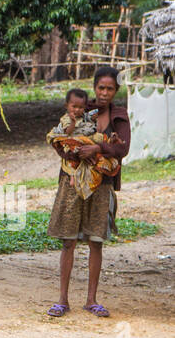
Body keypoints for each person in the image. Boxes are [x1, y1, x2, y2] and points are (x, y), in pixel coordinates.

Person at [46, 66, 130, 318]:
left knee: (96, 241)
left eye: (110, 88)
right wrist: (71, 150)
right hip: (72, 183)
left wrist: (95, 149)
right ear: (94, 87)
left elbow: (123, 149)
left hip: (102, 185)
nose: (105, 93)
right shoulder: (81, 109)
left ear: (116, 90)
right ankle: (62, 299)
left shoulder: (119, 115)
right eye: (101, 88)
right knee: (68, 240)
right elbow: (59, 140)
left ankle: (91, 300)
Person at [46, 88, 120, 201]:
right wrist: (73, 123)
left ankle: (111, 141)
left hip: (87, 138)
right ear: (67, 106)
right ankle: (73, 177)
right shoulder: (67, 118)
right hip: (73, 139)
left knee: (101, 138)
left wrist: (96, 113)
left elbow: (92, 116)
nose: (77, 110)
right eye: (74, 107)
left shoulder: (84, 116)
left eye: (80, 107)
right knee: (72, 156)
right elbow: (67, 132)